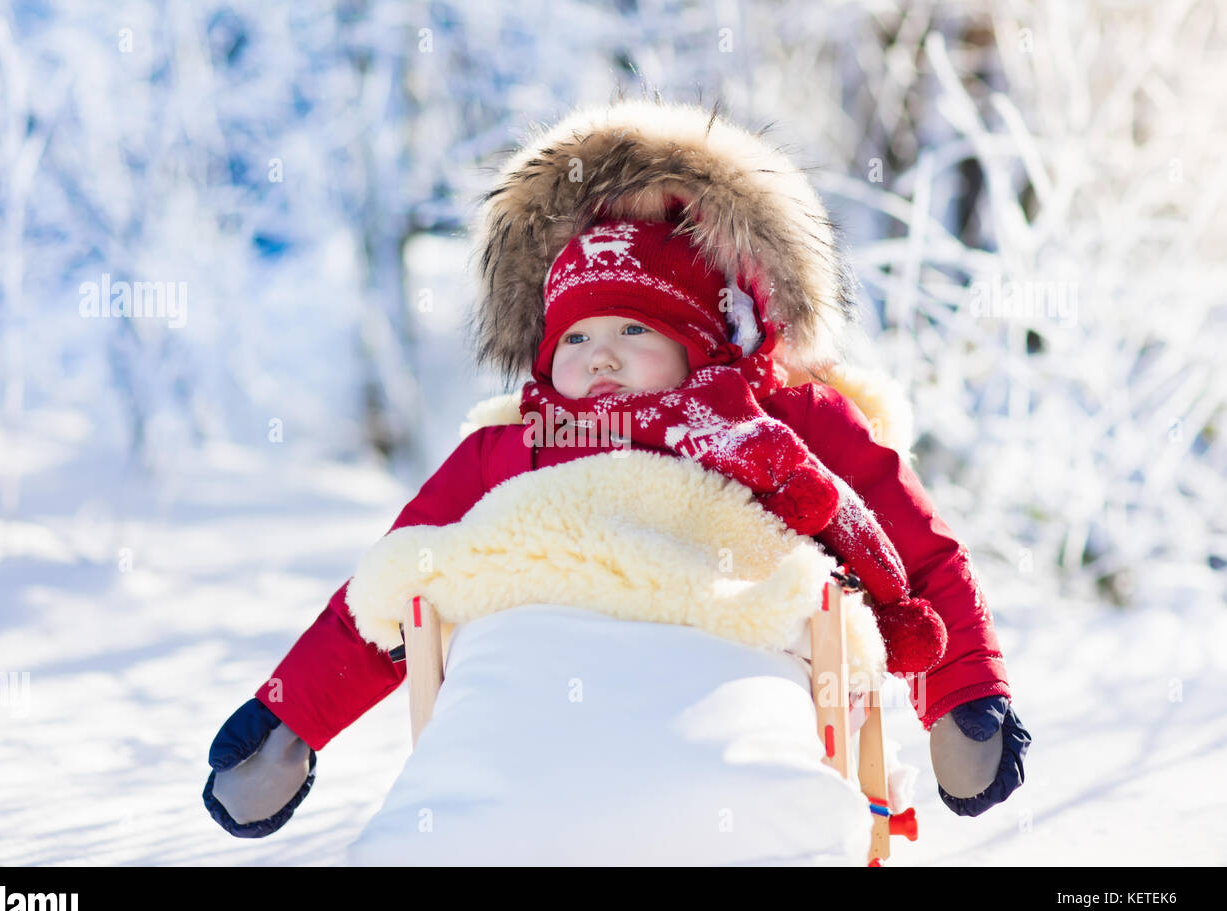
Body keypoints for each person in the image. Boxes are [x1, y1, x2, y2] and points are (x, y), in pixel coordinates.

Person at [203, 100, 1030, 842]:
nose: (599, 354)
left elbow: (916, 548)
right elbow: (389, 590)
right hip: (526, 688)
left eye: (634, 330)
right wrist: (289, 723)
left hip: (725, 658)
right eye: (574, 337)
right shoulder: (512, 444)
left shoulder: (778, 425)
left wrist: (965, 695)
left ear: (702, 341)